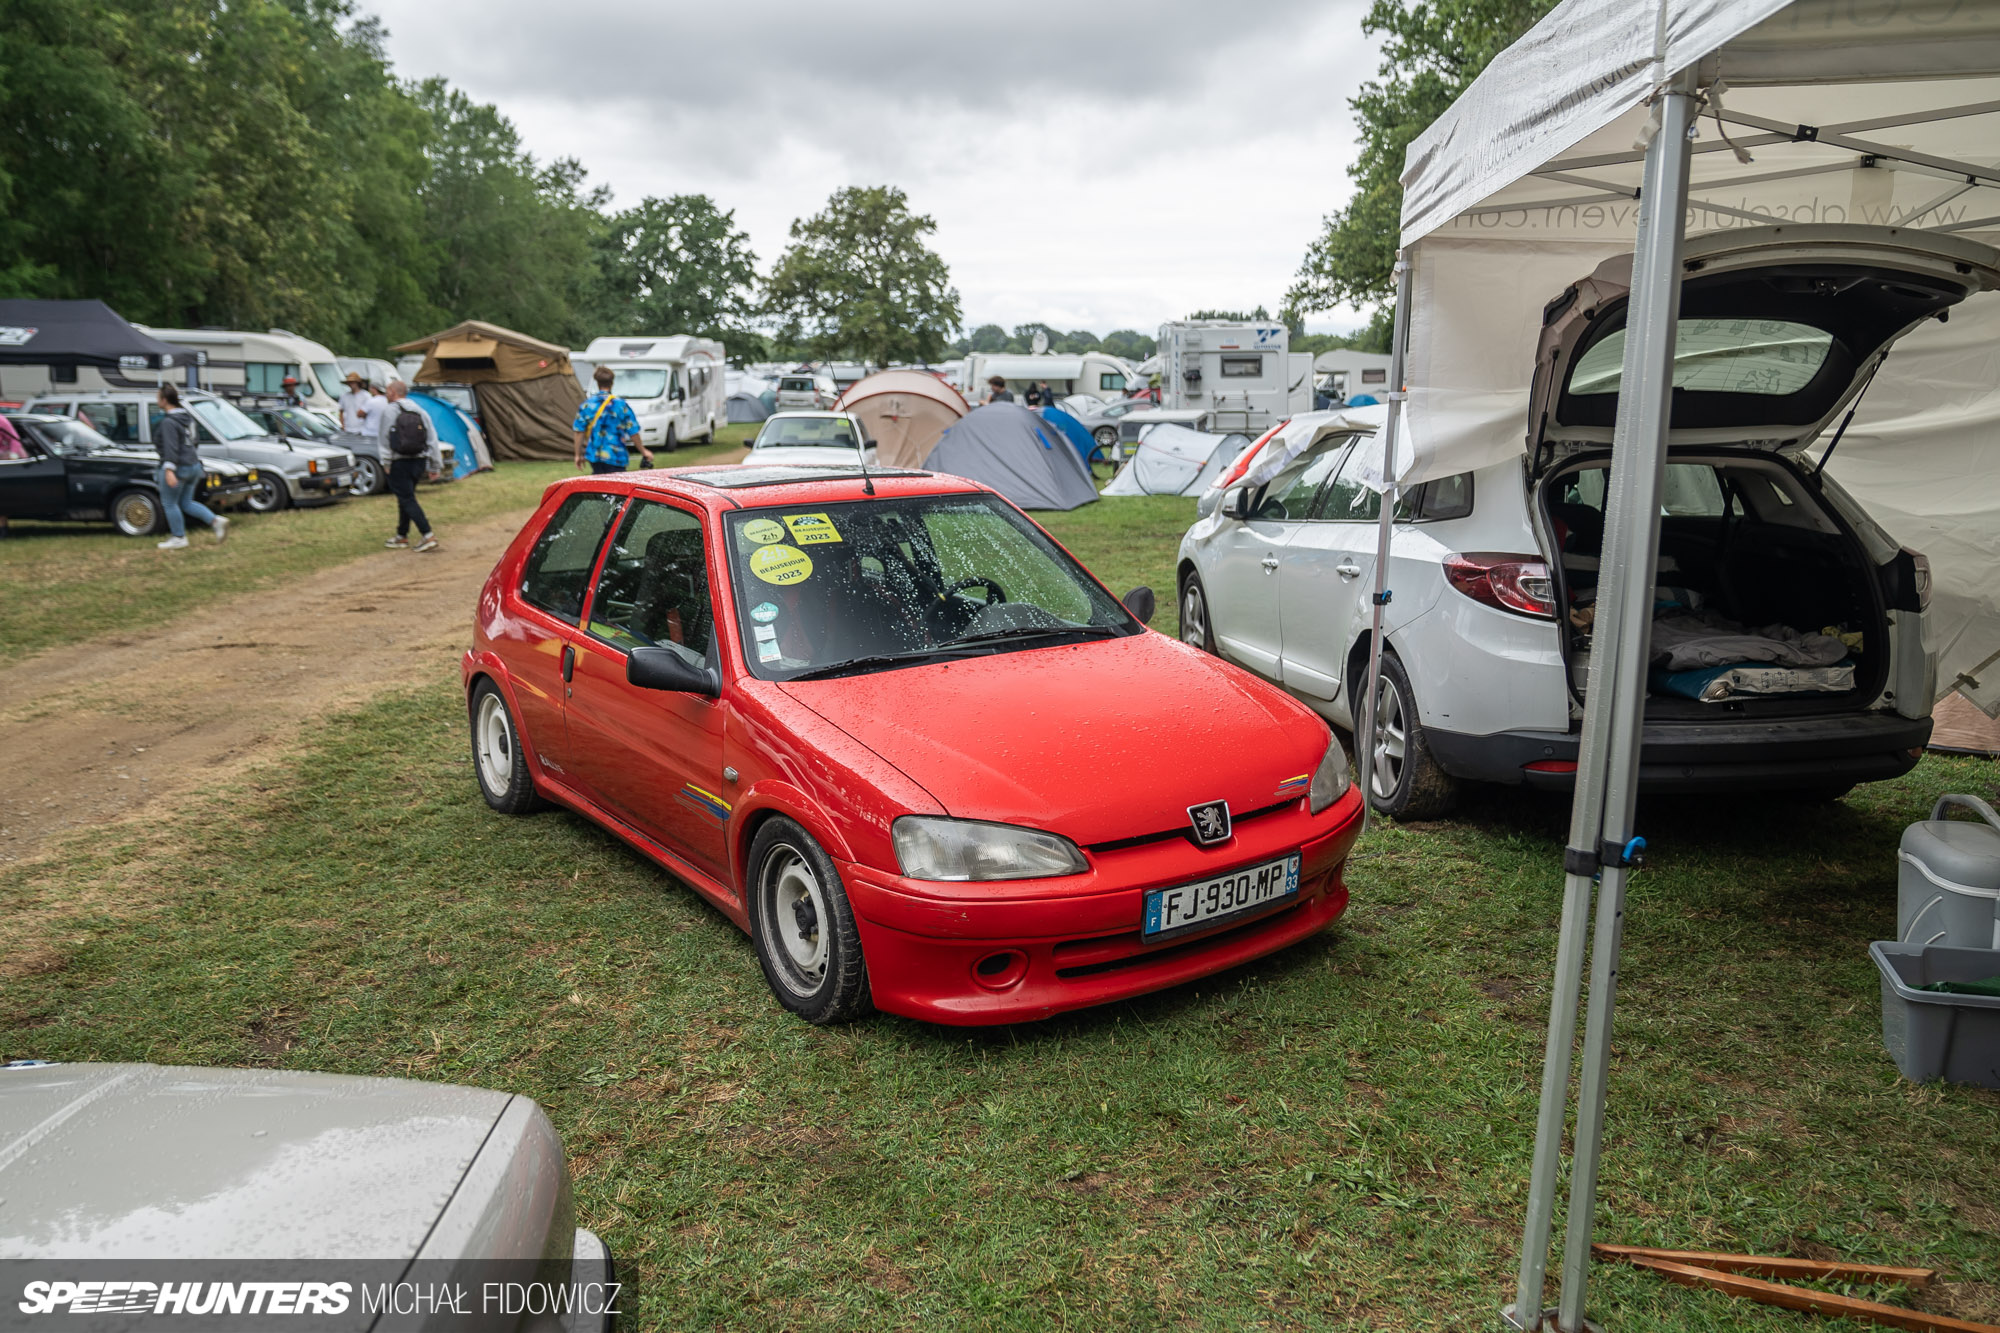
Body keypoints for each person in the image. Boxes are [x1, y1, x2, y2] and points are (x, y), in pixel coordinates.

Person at [152, 383, 228, 550]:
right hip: (193, 465)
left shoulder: (168, 422)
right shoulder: (188, 418)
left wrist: (169, 470)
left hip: (178, 467)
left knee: (169, 503)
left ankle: (179, 537)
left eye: (158, 397)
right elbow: (194, 442)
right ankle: (216, 521)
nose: (157, 400)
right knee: (186, 502)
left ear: (164, 400)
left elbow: (171, 447)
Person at [377, 380, 443, 552]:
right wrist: (435, 465)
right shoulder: (419, 409)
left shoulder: (390, 410)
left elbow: (384, 438)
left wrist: (386, 462)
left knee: (407, 498)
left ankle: (428, 535)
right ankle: (402, 535)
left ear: (393, 392)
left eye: (387, 391)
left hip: (399, 461)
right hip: (418, 460)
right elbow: (432, 438)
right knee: (406, 497)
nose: (386, 394)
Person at [572, 364, 652, 474]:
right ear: (612, 383)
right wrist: (643, 451)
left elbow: (579, 431)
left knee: (598, 482)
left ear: (597, 383)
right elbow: (633, 430)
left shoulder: (587, 405)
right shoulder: (621, 405)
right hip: (616, 455)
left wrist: (578, 454)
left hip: (595, 455)